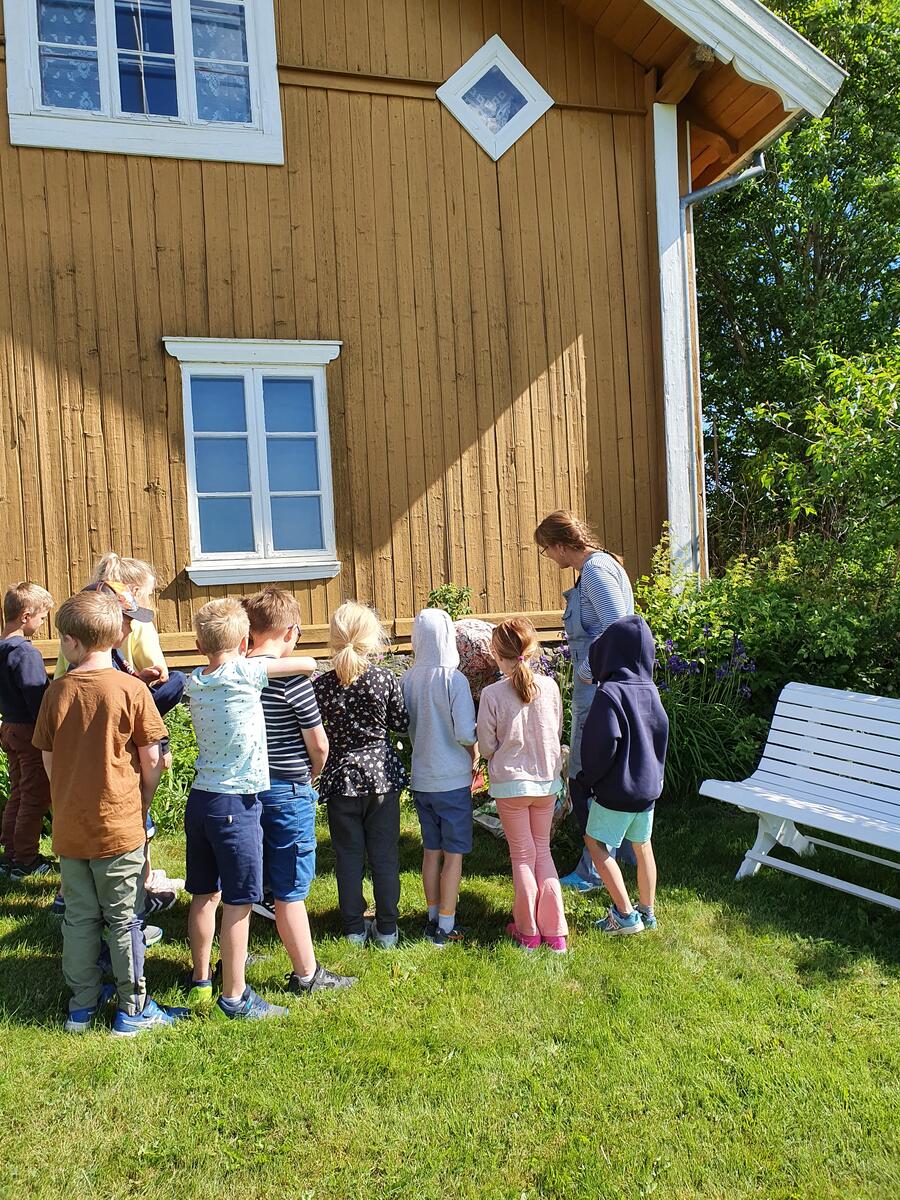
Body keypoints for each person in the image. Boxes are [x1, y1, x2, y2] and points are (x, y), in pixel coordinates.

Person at [31, 590, 187, 1034]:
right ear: (117, 637)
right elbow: (153, 757)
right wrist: (143, 801)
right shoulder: (132, 689)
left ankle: (80, 1008)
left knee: (80, 917)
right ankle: (132, 1009)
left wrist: (63, 798)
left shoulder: (56, 692)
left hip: (70, 828)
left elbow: (47, 758)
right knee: (125, 919)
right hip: (120, 824)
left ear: (71, 642)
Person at [183, 599, 317, 1021]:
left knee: (204, 895)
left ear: (199, 644)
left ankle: (201, 980)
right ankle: (235, 997)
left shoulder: (193, 681)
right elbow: (308, 664)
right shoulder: (245, 670)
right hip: (235, 804)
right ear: (244, 642)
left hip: (200, 799)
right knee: (239, 902)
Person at [243, 588, 355, 994]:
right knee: (290, 888)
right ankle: (307, 975)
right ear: (291, 632)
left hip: (244, 791)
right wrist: (314, 773)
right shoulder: (292, 680)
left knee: (246, 881)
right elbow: (319, 743)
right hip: (288, 789)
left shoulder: (234, 676)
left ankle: (235, 958)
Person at [534, 510, 636, 891]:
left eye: (546, 549)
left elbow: (617, 629)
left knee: (586, 773)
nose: (548, 557)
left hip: (600, 688)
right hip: (605, 684)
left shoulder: (594, 570)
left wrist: (588, 673)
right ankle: (622, 852)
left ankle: (593, 868)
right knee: (608, 771)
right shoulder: (599, 566)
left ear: (561, 544)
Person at [313, 602, 409, 948]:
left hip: (340, 779)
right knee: (384, 856)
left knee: (348, 857)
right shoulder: (384, 679)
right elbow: (400, 723)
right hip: (381, 777)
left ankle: (353, 928)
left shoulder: (321, 686)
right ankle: (386, 930)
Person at [476, 618, 568, 953]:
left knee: (523, 856)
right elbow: (556, 733)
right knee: (542, 851)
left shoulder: (491, 694)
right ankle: (556, 933)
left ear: (497, 656)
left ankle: (528, 931)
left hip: (511, 785)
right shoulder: (552, 688)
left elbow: (486, 746)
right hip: (546, 782)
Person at [578, 615, 668, 935]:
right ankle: (648, 910)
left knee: (595, 841)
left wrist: (590, 778)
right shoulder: (651, 690)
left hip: (617, 789)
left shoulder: (610, 693)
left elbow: (602, 745)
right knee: (643, 845)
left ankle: (625, 914)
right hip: (647, 789)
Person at [402, 608, 478, 946]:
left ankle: (431, 915)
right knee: (454, 854)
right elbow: (465, 731)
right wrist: (476, 752)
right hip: (453, 779)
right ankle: (446, 926)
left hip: (422, 777)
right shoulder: (454, 679)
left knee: (431, 851)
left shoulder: (407, 678)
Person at [0, 582, 54, 878]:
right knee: (35, 795)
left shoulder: (1, 648)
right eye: (42, 617)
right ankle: (25, 860)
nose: (43, 623)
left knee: (18, 791)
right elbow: (37, 698)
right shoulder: (25, 653)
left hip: (8, 727)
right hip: (30, 730)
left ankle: (10, 852)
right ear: (25, 615)